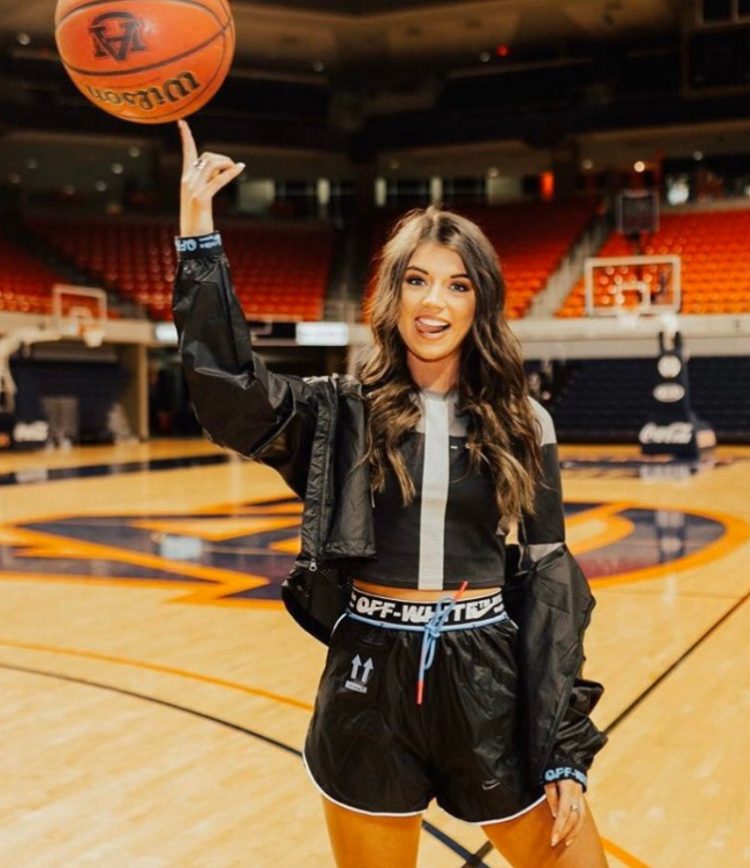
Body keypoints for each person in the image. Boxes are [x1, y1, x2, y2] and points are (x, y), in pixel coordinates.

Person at [172, 119, 607, 867]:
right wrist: (198, 236)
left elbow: (550, 580)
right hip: (369, 676)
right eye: (417, 278)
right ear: (393, 292)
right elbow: (230, 395)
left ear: (480, 303)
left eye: (457, 283)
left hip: (488, 674)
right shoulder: (336, 411)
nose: (434, 301)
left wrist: (564, 742)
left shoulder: (523, 421)